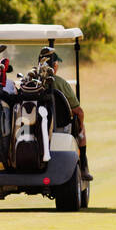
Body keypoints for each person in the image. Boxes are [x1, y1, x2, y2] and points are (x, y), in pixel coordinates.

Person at [38, 47, 91, 181]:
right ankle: (83, 167)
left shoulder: (32, 82)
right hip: (59, 126)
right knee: (82, 129)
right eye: (57, 65)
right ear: (54, 66)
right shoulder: (60, 83)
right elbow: (78, 111)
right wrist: (80, 125)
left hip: (36, 124)